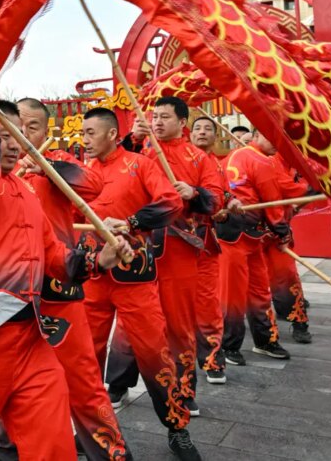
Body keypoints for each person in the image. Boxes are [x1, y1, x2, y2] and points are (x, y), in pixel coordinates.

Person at [0, 81, 131, 461]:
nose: (13, 144)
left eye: (17, 134)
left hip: (32, 340)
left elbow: (54, 257)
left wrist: (98, 261)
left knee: (53, 446)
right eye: (2, 135)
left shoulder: (26, 192)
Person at [0, 97, 132, 461]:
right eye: (15, 126)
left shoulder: (57, 163)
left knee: (84, 381)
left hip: (58, 290)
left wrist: (42, 165)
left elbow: (94, 184)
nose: (21, 134)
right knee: (10, 386)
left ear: (45, 131)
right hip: (8, 296)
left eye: (31, 127)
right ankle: (13, 453)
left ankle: (109, 452)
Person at [80, 107, 202, 461]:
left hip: (134, 275)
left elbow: (170, 204)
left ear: (111, 135)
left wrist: (131, 221)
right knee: (86, 356)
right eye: (83, 133)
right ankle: (92, 434)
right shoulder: (82, 172)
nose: (84, 139)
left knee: (154, 355)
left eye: (90, 133)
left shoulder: (139, 164)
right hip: (93, 275)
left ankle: (177, 428)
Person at [113, 98, 224, 415]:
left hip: (178, 250)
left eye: (165, 117)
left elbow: (215, 199)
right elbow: (114, 176)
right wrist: (131, 140)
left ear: (182, 122)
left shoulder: (199, 158)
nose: (157, 122)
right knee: (131, 319)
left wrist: (194, 193)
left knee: (178, 323)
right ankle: (119, 384)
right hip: (139, 245)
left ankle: (183, 390)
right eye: (154, 116)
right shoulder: (142, 151)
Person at [217, 130, 291, 366]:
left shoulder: (234, 155)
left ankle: (264, 340)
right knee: (235, 294)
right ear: (258, 134)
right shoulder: (260, 160)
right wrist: (282, 232)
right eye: (274, 137)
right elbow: (273, 203)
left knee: (258, 289)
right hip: (235, 235)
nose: (277, 145)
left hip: (250, 235)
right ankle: (229, 346)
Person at [189, 116, 244, 384]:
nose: (201, 132)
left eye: (207, 129)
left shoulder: (218, 166)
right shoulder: (174, 158)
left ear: (215, 136)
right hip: (172, 242)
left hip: (205, 242)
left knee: (208, 304)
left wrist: (229, 204)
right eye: (197, 128)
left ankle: (212, 360)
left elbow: (224, 196)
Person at [265, 154, 316, 344]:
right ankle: (262, 334)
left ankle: (299, 322)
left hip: (277, 231)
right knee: (255, 285)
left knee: (287, 276)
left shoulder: (283, 160)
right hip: (249, 233)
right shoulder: (251, 160)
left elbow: (294, 191)